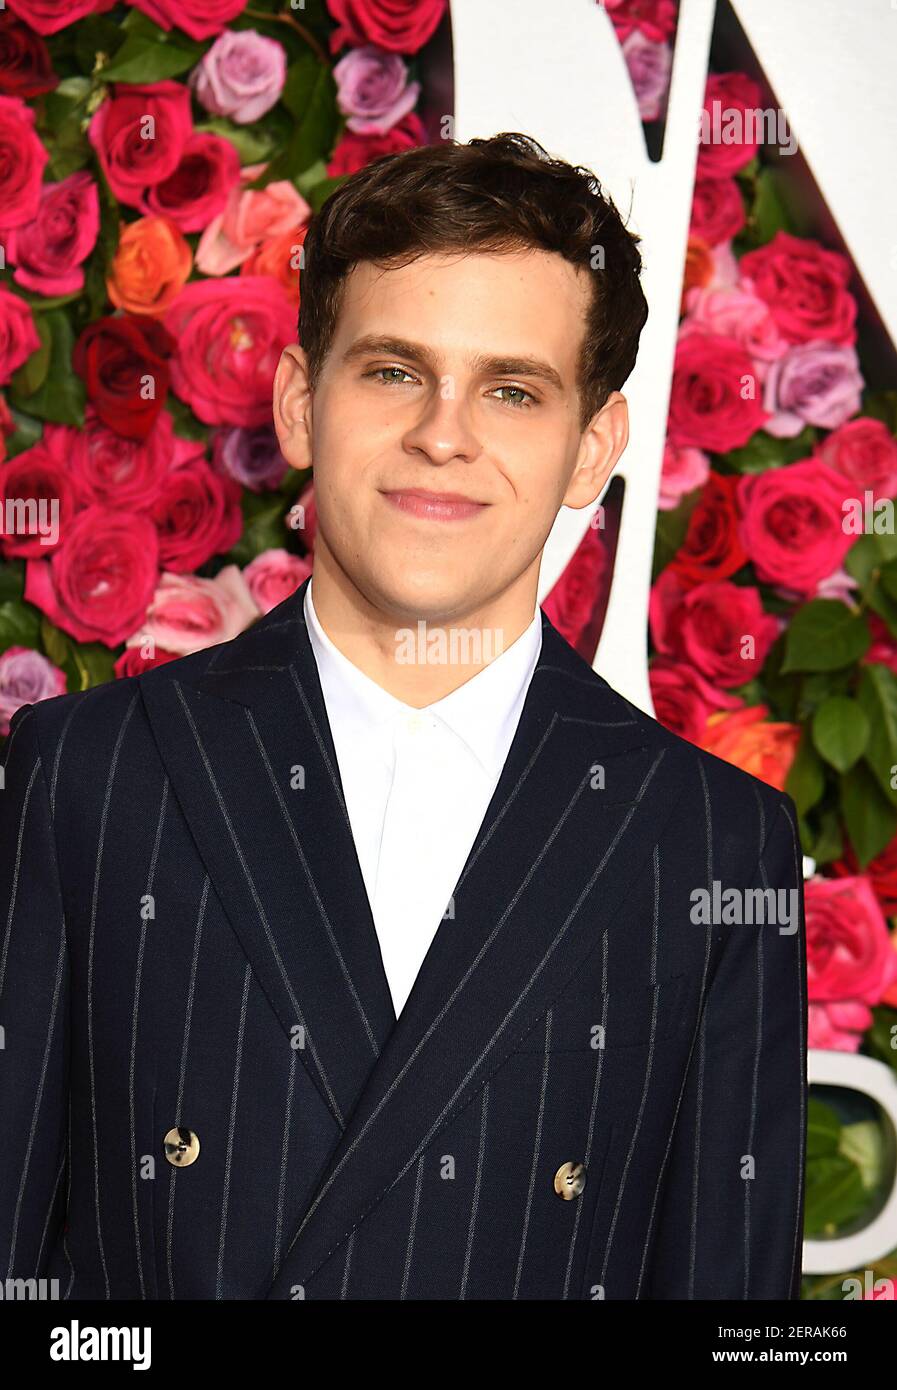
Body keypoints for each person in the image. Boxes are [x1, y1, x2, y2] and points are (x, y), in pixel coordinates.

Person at [0, 132, 807, 1301]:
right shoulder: (91, 774)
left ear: (593, 449)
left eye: (513, 390)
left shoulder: (715, 842)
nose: (444, 433)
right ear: (297, 403)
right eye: (391, 370)